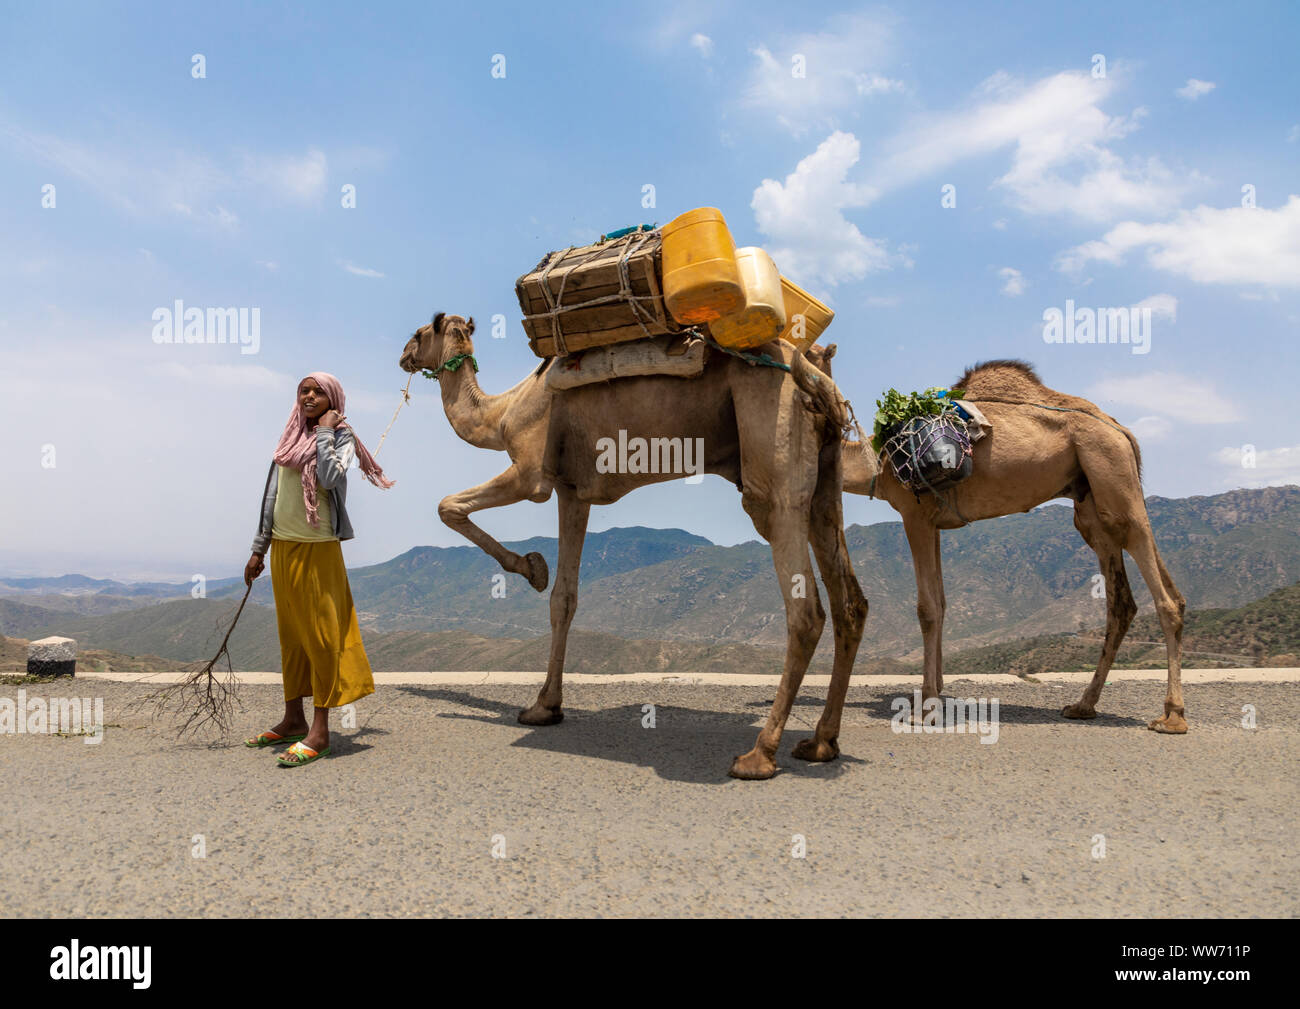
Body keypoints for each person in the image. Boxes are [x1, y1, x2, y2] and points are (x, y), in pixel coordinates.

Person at [242, 372, 395, 766]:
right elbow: (271, 497)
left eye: (318, 392)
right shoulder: (290, 436)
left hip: (318, 548)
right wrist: (260, 549)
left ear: (333, 399)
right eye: (304, 391)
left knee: (323, 638)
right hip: (284, 548)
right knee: (292, 637)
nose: (309, 396)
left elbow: (330, 477)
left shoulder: (341, 436)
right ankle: (293, 718)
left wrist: (325, 433)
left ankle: (320, 730)